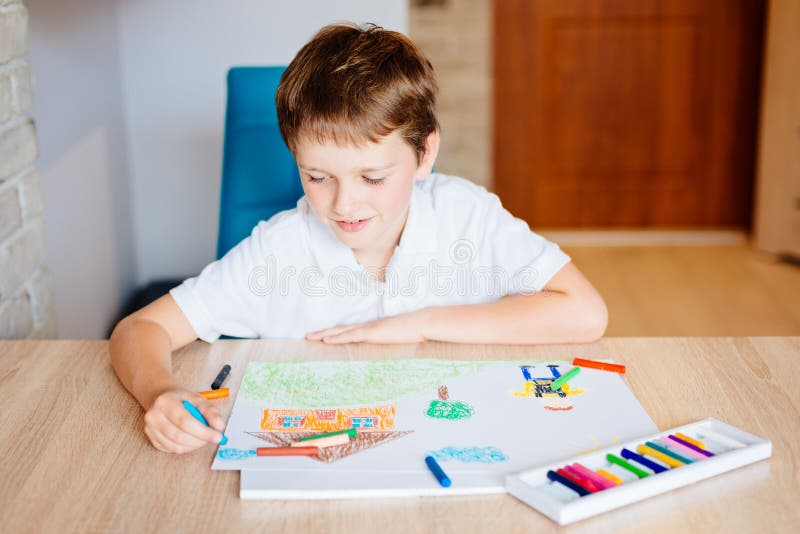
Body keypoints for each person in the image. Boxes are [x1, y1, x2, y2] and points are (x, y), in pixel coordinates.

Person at [110, 22, 608, 454]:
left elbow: (585, 313)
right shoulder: (280, 251)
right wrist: (161, 392)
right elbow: (138, 331)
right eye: (317, 177)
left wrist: (421, 324)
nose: (344, 204)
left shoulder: (466, 215)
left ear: (425, 153)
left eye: (372, 178)